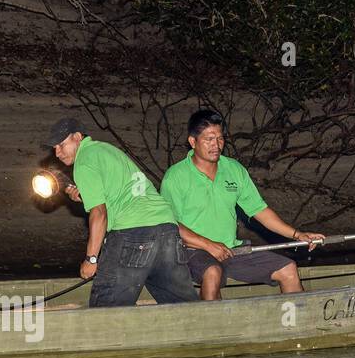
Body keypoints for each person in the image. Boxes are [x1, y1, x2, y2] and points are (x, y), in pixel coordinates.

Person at [160, 110, 325, 300]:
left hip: (231, 250)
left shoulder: (234, 169)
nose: (216, 145)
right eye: (209, 139)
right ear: (192, 142)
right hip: (192, 250)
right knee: (213, 273)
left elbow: (260, 211)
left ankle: (298, 325)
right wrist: (209, 245)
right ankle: (211, 328)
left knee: (288, 269)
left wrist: (297, 235)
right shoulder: (175, 177)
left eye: (220, 139)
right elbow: (170, 224)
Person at [45, 117, 198, 307]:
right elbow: (120, 192)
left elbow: (99, 213)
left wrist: (91, 258)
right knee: (185, 307)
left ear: (77, 137)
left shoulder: (84, 161)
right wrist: (84, 196)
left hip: (133, 234)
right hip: (167, 230)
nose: (57, 152)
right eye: (54, 148)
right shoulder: (106, 150)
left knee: (106, 310)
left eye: (61, 144)